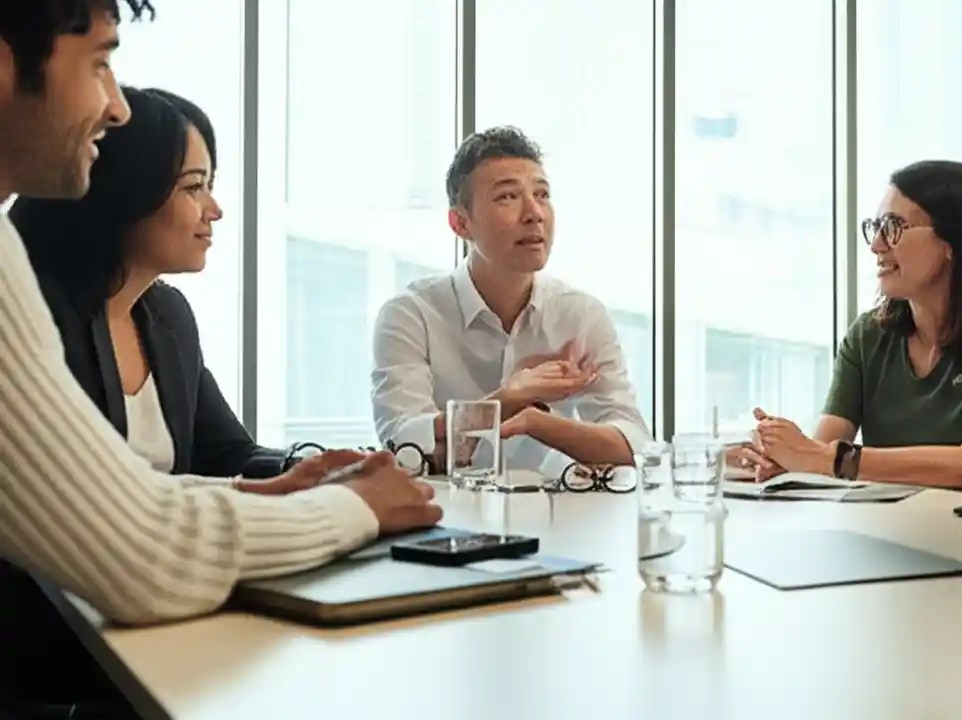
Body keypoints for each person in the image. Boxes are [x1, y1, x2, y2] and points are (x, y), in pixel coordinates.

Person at [0, 4, 445, 705]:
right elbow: (143, 548)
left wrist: (283, 481)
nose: (114, 107)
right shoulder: (27, 298)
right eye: (99, 62)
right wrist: (359, 507)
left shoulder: (165, 316)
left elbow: (207, 460)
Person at [10, 86, 298, 487]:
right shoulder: (34, 317)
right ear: (128, 190)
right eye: (194, 187)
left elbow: (227, 454)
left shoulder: (168, 315)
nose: (214, 210)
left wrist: (317, 467)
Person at [741, 160, 962, 488]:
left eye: (894, 226)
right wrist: (782, 455)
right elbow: (820, 453)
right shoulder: (866, 337)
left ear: (952, 244)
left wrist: (833, 460)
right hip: (880, 532)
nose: (876, 245)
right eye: (876, 227)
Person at [372, 126, 651, 478]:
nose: (534, 213)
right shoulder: (411, 314)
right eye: (507, 197)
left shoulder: (581, 314)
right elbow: (404, 443)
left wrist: (536, 422)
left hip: (559, 518)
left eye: (542, 194)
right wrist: (510, 398)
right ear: (460, 223)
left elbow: (634, 445)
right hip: (446, 521)